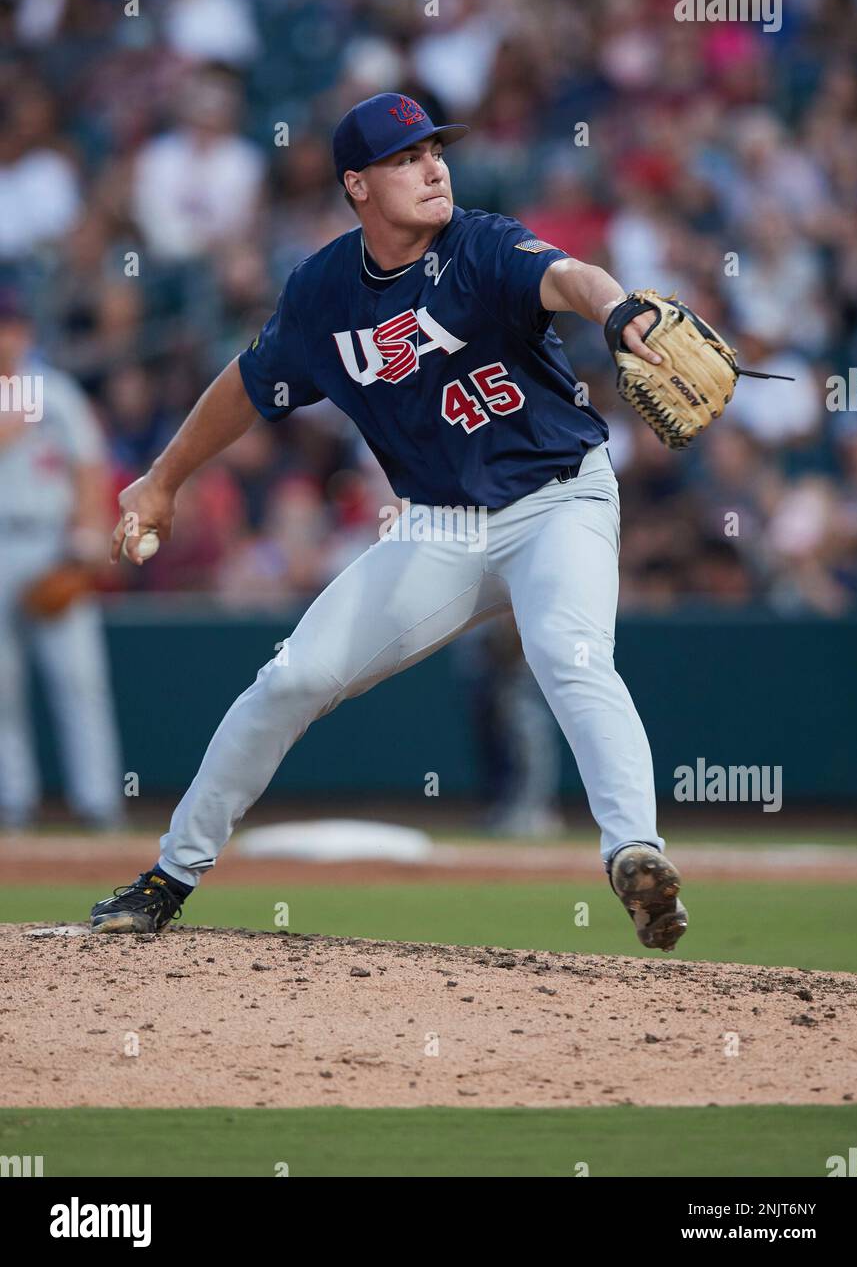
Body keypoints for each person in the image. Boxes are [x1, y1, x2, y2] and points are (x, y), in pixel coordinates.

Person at [90, 92, 687, 951]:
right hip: (440, 526)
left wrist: (619, 308)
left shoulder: (479, 244)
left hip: (560, 500)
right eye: (406, 159)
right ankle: (168, 876)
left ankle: (636, 855)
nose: (432, 167)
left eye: (434, 151)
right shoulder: (325, 291)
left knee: (570, 654)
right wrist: (161, 479)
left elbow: (566, 277)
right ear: (357, 185)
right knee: (292, 680)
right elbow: (250, 385)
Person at [0, 289, 125, 830]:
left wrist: (86, 545)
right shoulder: (36, 393)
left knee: (78, 680)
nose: (7, 336)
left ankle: (98, 805)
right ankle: (13, 803)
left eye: (13, 326)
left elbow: (90, 470)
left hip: (50, 541)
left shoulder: (54, 390)